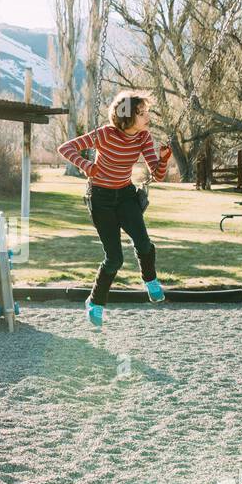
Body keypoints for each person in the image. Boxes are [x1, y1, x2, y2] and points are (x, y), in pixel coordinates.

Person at [57, 90, 173, 326]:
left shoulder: (143, 137)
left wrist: (163, 159)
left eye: (146, 112)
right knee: (114, 258)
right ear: (127, 118)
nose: (146, 116)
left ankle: (150, 281)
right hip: (101, 199)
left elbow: (157, 175)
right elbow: (66, 148)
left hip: (126, 196)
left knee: (143, 242)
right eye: (141, 113)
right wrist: (86, 165)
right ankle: (95, 303)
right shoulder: (105, 134)